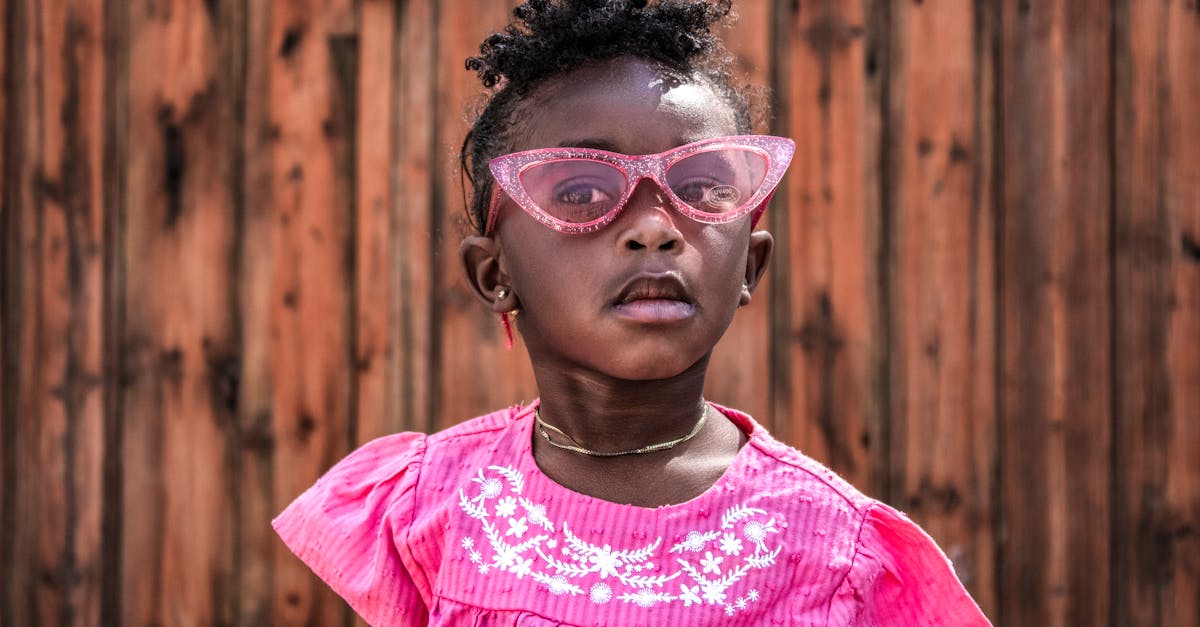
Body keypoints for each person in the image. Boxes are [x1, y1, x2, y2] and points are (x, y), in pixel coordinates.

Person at [273, 1, 991, 624]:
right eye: (581, 191)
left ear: (749, 265)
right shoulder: (426, 507)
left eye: (701, 185)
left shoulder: (841, 552)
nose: (654, 227)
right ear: (495, 276)